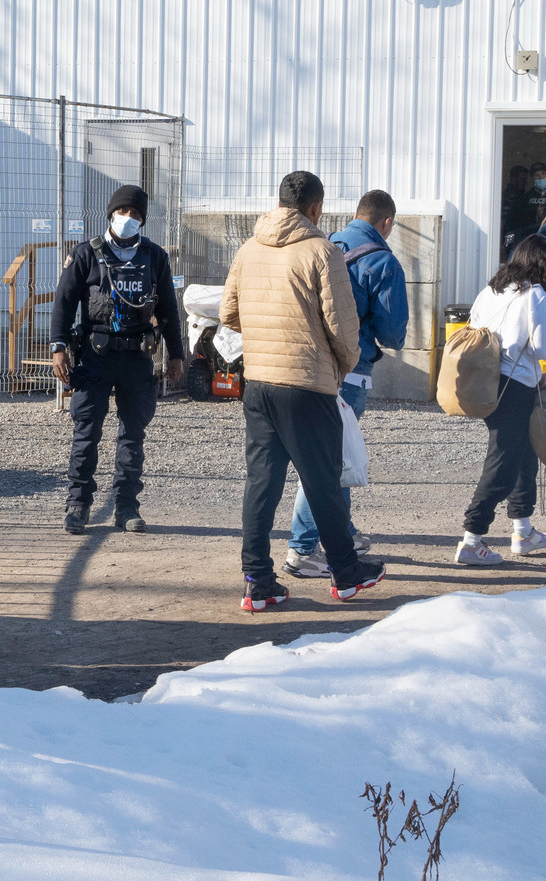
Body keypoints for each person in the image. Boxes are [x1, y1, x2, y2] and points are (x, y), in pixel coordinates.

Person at [219, 170, 385, 610]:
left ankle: (257, 580)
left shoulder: (248, 249)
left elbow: (228, 313)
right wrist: (338, 366)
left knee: (262, 483)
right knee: (323, 482)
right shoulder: (322, 252)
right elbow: (344, 330)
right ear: (315, 208)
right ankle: (346, 575)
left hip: (258, 384)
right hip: (308, 383)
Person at [285, 189, 407, 577]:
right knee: (325, 463)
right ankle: (302, 549)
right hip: (349, 374)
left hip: (304, 367)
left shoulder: (321, 245)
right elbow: (391, 331)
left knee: (337, 457)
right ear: (386, 223)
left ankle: (343, 533)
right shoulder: (382, 262)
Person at [49, 184, 185, 534]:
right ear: (111, 214)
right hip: (94, 359)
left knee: (132, 436)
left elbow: (168, 309)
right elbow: (63, 303)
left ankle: (126, 507)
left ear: (143, 220)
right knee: (86, 432)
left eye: (136, 214)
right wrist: (58, 347)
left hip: (137, 359)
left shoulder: (155, 257)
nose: (129, 219)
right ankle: (78, 504)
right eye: (123, 212)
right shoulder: (86, 254)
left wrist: (176, 354)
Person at [454, 235, 546, 565]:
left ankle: (523, 529)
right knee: (502, 462)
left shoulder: (493, 289)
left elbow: (474, 326)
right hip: (515, 386)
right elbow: (545, 349)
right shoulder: (536, 295)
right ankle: (472, 539)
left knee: (524, 451)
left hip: (487, 381)